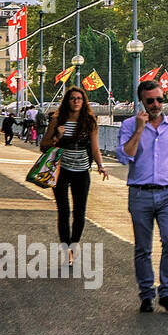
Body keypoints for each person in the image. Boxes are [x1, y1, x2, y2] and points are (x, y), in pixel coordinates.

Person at [116, 79, 168, 313]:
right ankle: (147, 294)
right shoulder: (130, 125)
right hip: (140, 194)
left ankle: (167, 292)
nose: (156, 104)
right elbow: (124, 156)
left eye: (159, 99)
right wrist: (140, 129)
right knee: (143, 247)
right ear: (142, 102)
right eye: (150, 101)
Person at [40, 87, 111, 266]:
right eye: (72, 98)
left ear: (83, 101)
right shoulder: (57, 120)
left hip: (82, 172)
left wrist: (101, 166)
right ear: (67, 101)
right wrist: (58, 134)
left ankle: (74, 245)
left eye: (79, 98)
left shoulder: (89, 121)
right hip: (62, 171)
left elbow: (95, 148)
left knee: (80, 213)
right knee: (64, 212)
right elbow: (44, 146)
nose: (76, 101)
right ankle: (67, 252)